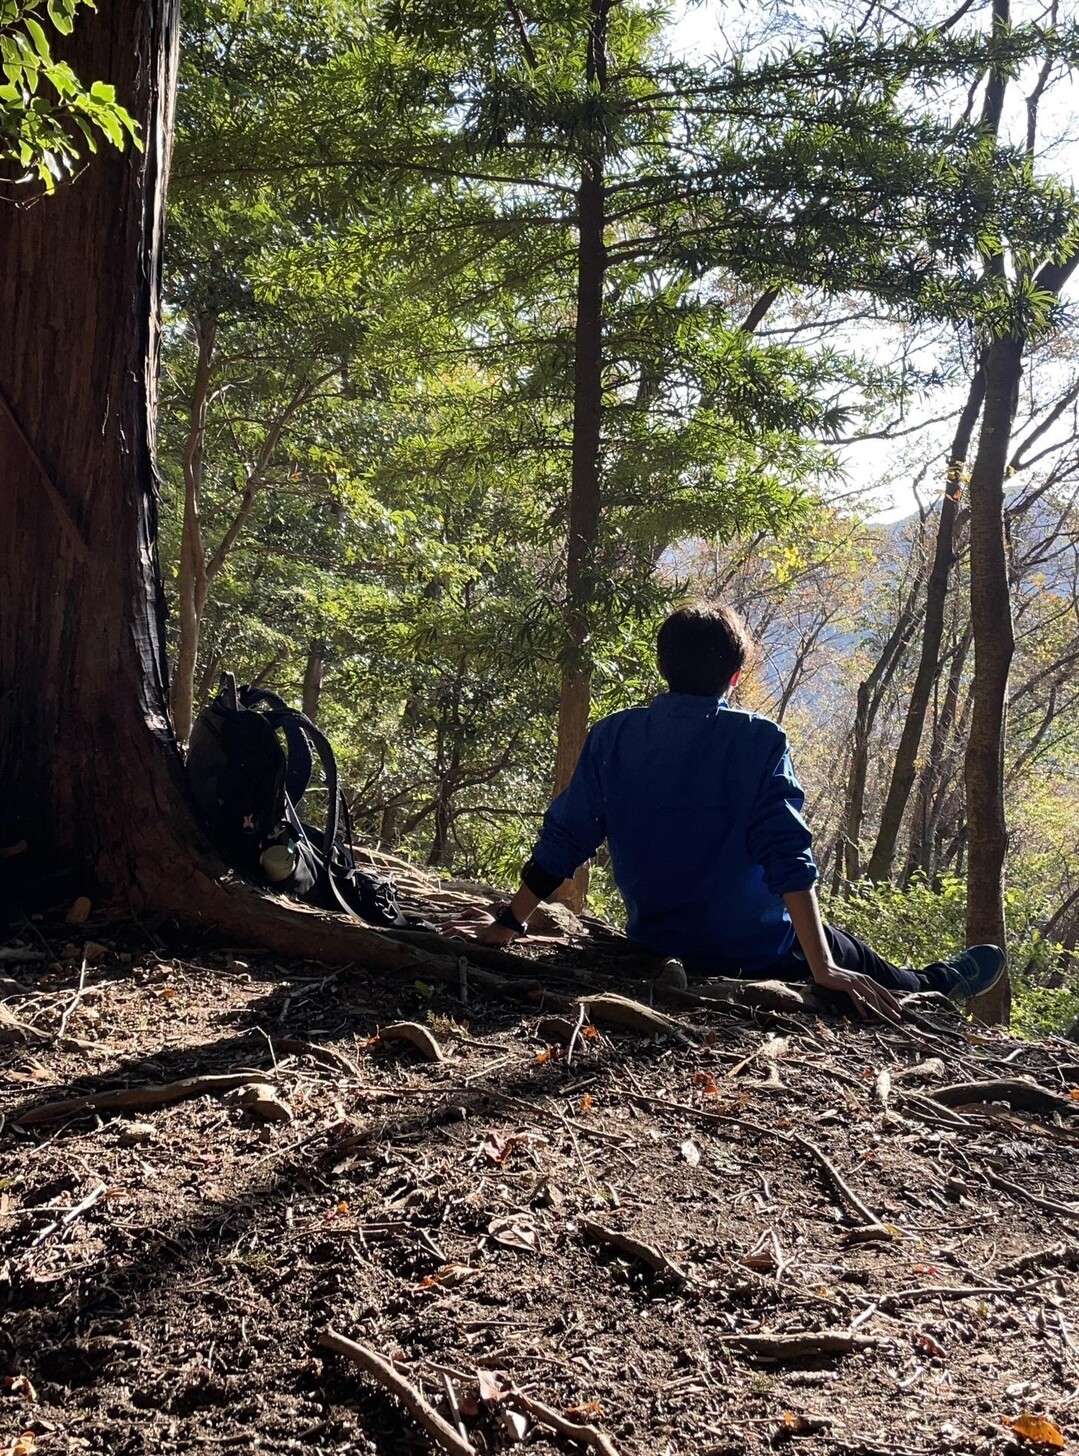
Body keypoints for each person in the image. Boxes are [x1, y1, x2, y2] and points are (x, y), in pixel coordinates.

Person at [462, 601, 1004, 1023]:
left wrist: (511, 920)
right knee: (853, 955)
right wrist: (822, 969)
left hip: (654, 941)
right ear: (736, 675)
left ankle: (927, 978)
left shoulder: (615, 735)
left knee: (844, 948)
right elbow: (788, 855)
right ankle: (933, 986)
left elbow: (567, 835)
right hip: (754, 950)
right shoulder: (759, 741)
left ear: (661, 663)